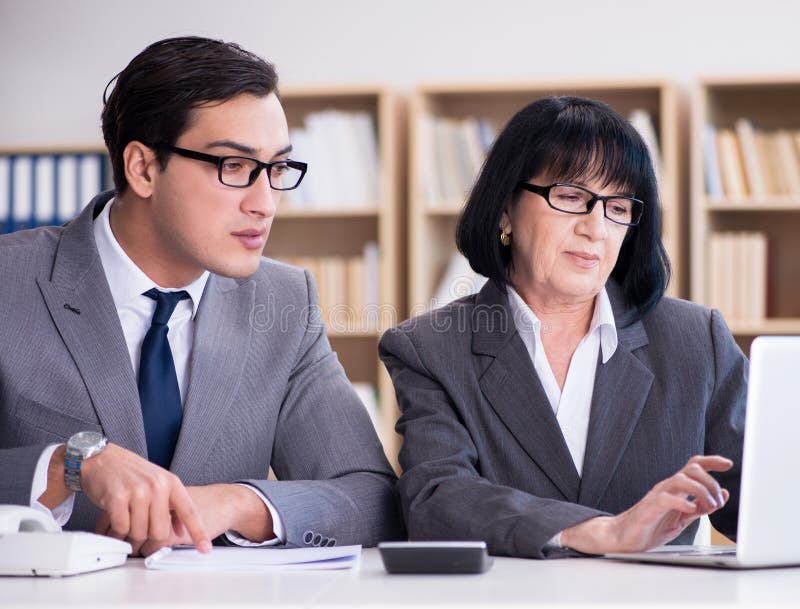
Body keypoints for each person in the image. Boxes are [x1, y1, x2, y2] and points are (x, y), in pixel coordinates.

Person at [0, 36, 402, 556]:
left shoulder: (283, 303)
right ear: (143, 168)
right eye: (233, 167)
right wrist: (65, 465)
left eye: (277, 169)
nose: (266, 204)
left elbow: (371, 498)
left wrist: (236, 504)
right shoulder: (12, 281)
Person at [379, 96, 746, 558]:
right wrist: (599, 532)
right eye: (572, 197)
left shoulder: (696, 341)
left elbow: (760, 502)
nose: (596, 228)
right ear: (505, 209)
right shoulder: (429, 348)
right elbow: (437, 501)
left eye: (618, 206)